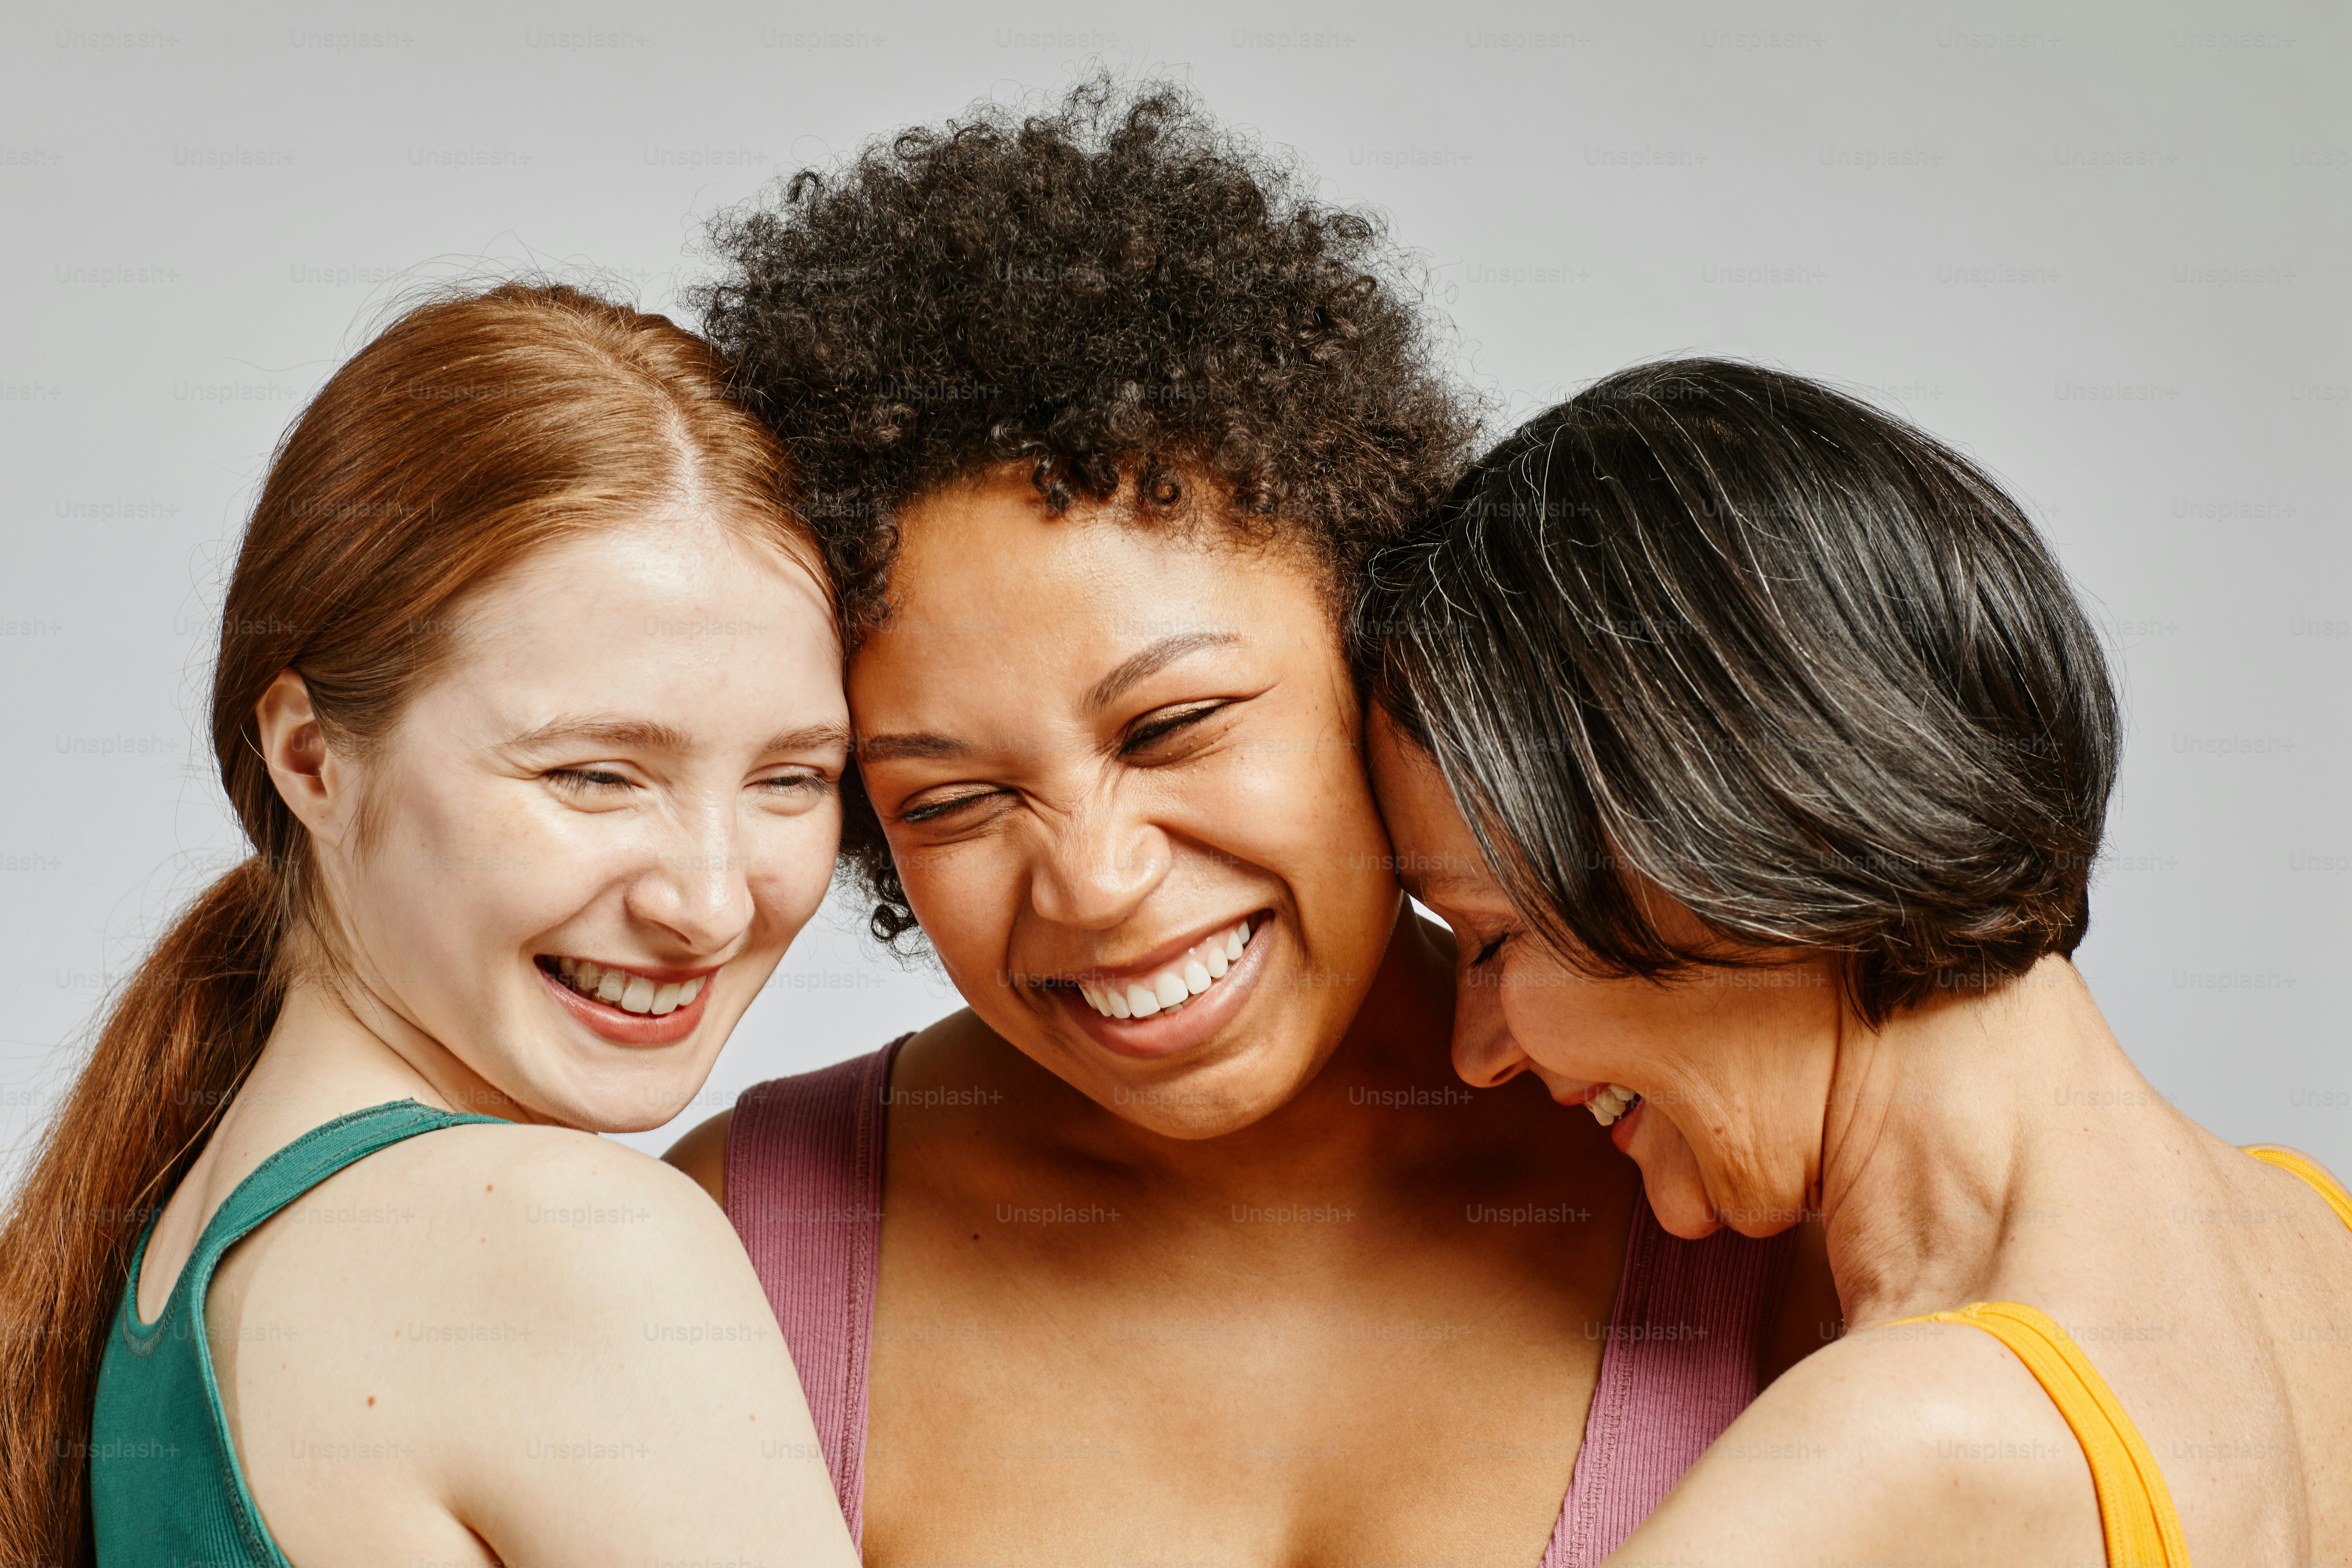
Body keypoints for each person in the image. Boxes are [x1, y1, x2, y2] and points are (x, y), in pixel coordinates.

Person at [671, 83, 1837, 1568]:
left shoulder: (1737, 1179)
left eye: (1173, 727)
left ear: (1374, 649)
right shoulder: (736, 1256)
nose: (1096, 886)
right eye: (953, 801)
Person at [1362, 357, 2352, 1568]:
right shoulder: (2318, 1241)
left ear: (1732, 828)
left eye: (1495, 939)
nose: (1477, 1053)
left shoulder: (1902, 1453)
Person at [0, 283, 859, 1568]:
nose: (714, 903)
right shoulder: (561, 1248)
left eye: (791, 779)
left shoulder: (176, 1261)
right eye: (593, 774)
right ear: (311, 759)